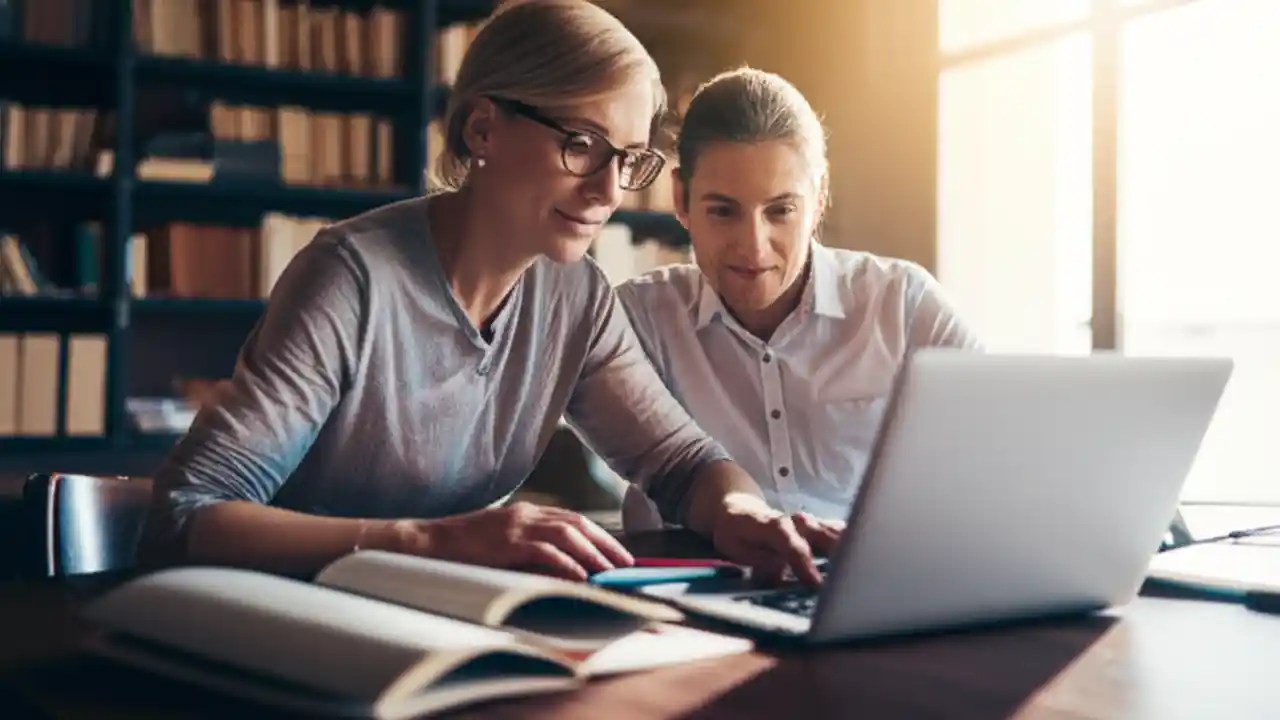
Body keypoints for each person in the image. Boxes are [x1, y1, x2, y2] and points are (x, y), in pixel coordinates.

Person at [137, 2, 835, 586]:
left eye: (628, 161)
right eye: (584, 145)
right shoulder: (354, 278)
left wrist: (745, 513)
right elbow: (186, 514)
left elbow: (683, 465)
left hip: (439, 615)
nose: (607, 192)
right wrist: (435, 543)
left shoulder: (576, 298)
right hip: (288, 620)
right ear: (482, 129)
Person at [617, 67, 981, 531]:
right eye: (724, 211)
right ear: (682, 200)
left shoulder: (903, 306)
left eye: (781, 211)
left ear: (820, 198)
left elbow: (1001, 453)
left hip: (860, 586)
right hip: (684, 588)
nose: (753, 245)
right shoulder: (637, 319)